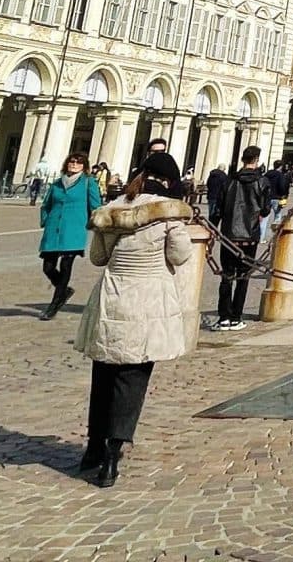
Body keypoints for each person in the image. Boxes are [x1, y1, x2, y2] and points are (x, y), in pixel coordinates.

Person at [74, 154, 194, 487]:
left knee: (104, 374)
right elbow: (180, 255)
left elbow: (98, 257)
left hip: (112, 297)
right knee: (132, 377)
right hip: (148, 302)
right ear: (168, 181)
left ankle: (92, 449)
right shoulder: (169, 214)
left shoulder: (113, 208)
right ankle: (113, 456)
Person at [38, 151, 104, 320]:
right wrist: (46, 220)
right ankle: (64, 291)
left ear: (84, 166)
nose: (74, 164)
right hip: (54, 229)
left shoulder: (88, 183)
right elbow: (46, 205)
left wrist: (95, 223)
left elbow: (96, 206)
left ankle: (54, 305)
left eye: (79, 162)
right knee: (48, 267)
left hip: (74, 230)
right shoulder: (57, 184)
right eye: (72, 161)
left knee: (66, 266)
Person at [211, 145, 270, 330]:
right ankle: (237, 316)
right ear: (257, 160)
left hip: (229, 235)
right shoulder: (262, 182)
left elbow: (218, 209)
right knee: (244, 277)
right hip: (250, 236)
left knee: (227, 276)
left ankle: (224, 317)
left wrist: (213, 228)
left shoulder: (228, 181)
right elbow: (266, 209)